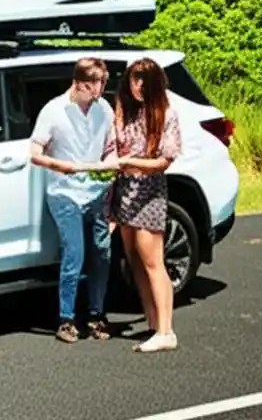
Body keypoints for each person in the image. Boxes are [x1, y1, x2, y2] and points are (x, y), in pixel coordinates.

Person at [29, 57, 120, 344]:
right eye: (95, 85)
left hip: (94, 189)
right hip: (64, 190)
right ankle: (66, 319)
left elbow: (110, 145)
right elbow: (34, 151)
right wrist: (61, 166)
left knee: (102, 253)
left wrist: (110, 166)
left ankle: (97, 314)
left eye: (103, 85)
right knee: (74, 254)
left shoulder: (103, 109)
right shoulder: (54, 111)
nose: (100, 92)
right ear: (80, 83)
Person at [102, 57, 183, 353]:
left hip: (148, 188)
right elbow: (115, 146)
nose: (137, 86)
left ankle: (166, 330)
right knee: (133, 257)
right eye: (134, 79)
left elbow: (163, 161)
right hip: (125, 188)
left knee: (152, 260)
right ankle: (152, 321)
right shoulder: (125, 109)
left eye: (143, 81)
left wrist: (129, 163)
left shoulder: (166, 114)